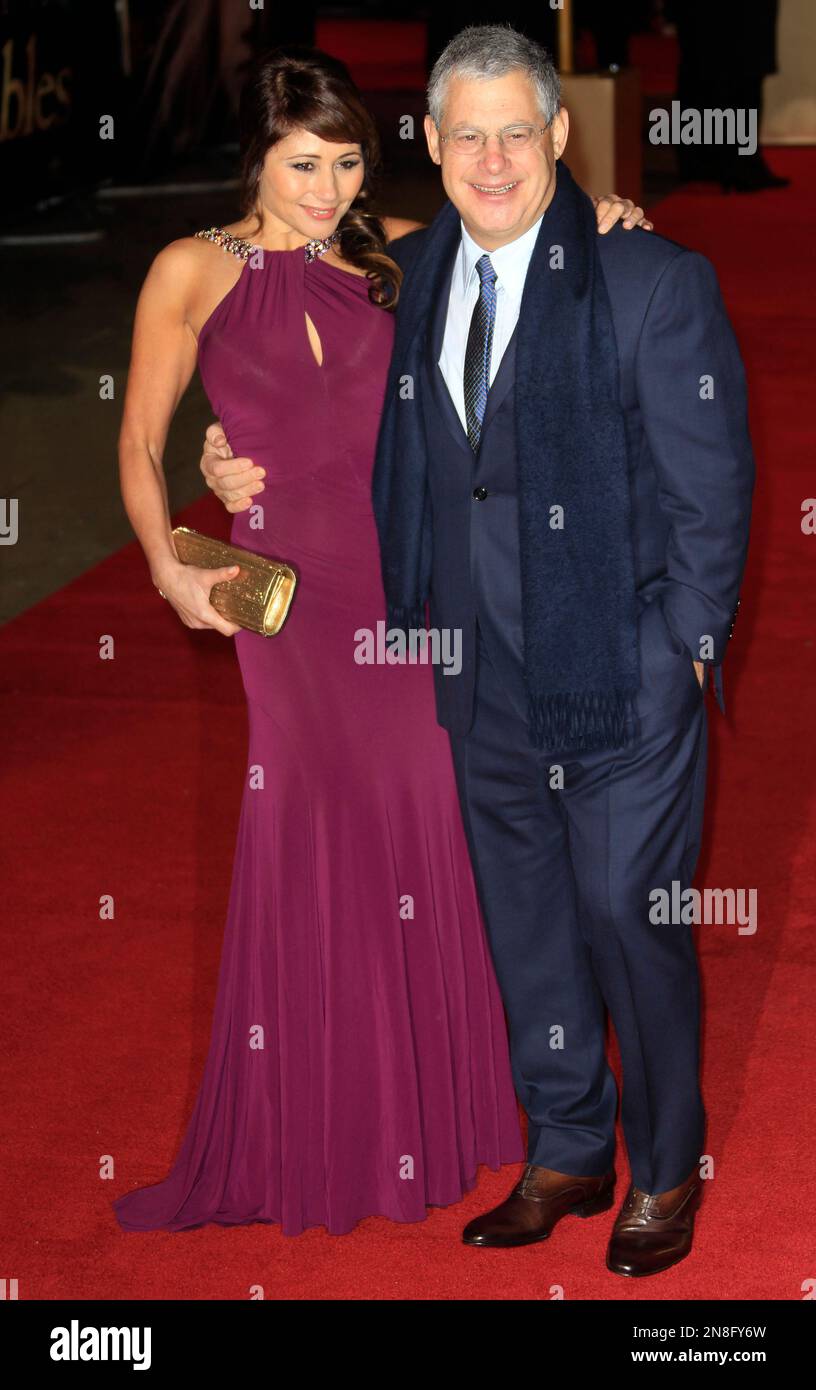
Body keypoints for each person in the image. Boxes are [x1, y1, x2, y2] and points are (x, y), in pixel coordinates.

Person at [120, 43, 648, 1238]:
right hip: (291, 602)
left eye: (349, 160)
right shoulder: (190, 272)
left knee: (430, 820)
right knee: (314, 820)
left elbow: (522, 229)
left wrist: (606, 214)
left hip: (405, 582)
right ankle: (325, 1122)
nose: (326, 188)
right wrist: (166, 557)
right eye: (303, 163)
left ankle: (454, 1113)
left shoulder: (396, 249)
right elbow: (142, 442)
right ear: (254, 157)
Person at [364, 25, 752, 1276]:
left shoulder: (650, 280)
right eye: (463, 134)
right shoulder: (413, 271)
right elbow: (277, 309)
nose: (489, 160)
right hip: (478, 669)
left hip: (621, 673)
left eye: (514, 133)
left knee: (624, 915)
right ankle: (570, 1143)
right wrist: (216, 462)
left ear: (561, 138)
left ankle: (666, 1165)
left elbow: (712, 493)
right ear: (426, 142)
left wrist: (684, 651)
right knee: (526, 919)